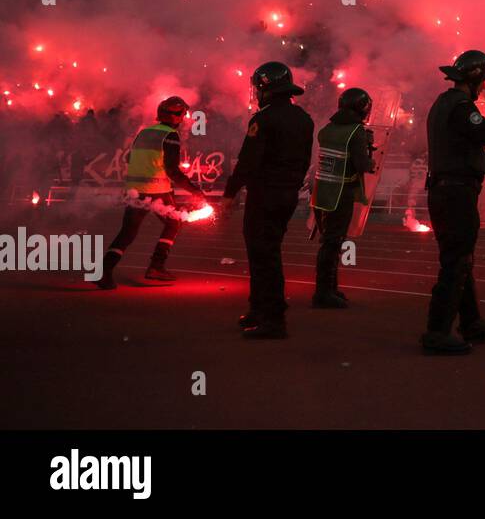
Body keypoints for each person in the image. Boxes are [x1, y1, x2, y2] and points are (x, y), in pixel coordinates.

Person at [422, 49, 485, 355]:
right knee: (456, 262)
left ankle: (472, 322)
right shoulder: (461, 106)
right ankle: (437, 331)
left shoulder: (442, 104)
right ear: (475, 78)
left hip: (445, 189)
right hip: (456, 192)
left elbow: (461, 142)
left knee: (461, 259)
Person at [222, 62, 314, 340]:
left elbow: (248, 161)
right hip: (287, 195)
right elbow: (304, 161)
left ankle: (272, 319)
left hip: (264, 195)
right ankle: (259, 310)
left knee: (263, 256)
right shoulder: (304, 119)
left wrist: (230, 193)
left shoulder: (263, 119)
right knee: (268, 252)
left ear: (264, 87)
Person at [98, 96, 207, 289]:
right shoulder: (170, 136)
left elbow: (130, 158)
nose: (183, 119)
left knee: (127, 233)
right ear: (173, 116)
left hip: (134, 191)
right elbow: (172, 171)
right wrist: (195, 191)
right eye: (181, 115)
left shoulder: (144, 133)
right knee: (174, 223)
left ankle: (104, 272)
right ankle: (156, 267)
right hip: (156, 191)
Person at [309, 87, 376, 308]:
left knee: (329, 240)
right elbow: (362, 165)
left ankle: (329, 288)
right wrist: (369, 155)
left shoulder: (328, 129)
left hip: (322, 191)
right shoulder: (355, 131)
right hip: (341, 193)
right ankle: (323, 292)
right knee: (333, 242)